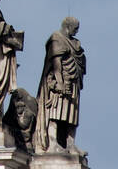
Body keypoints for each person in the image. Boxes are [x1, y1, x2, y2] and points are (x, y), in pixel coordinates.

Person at [35, 17, 86, 153]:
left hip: (73, 82)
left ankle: (70, 144)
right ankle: (53, 142)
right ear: (68, 26)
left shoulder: (75, 43)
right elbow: (56, 62)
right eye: (76, 28)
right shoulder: (57, 38)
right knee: (56, 112)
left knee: (71, 115)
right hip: (60, 84)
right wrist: (60, 83)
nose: (77, 31)